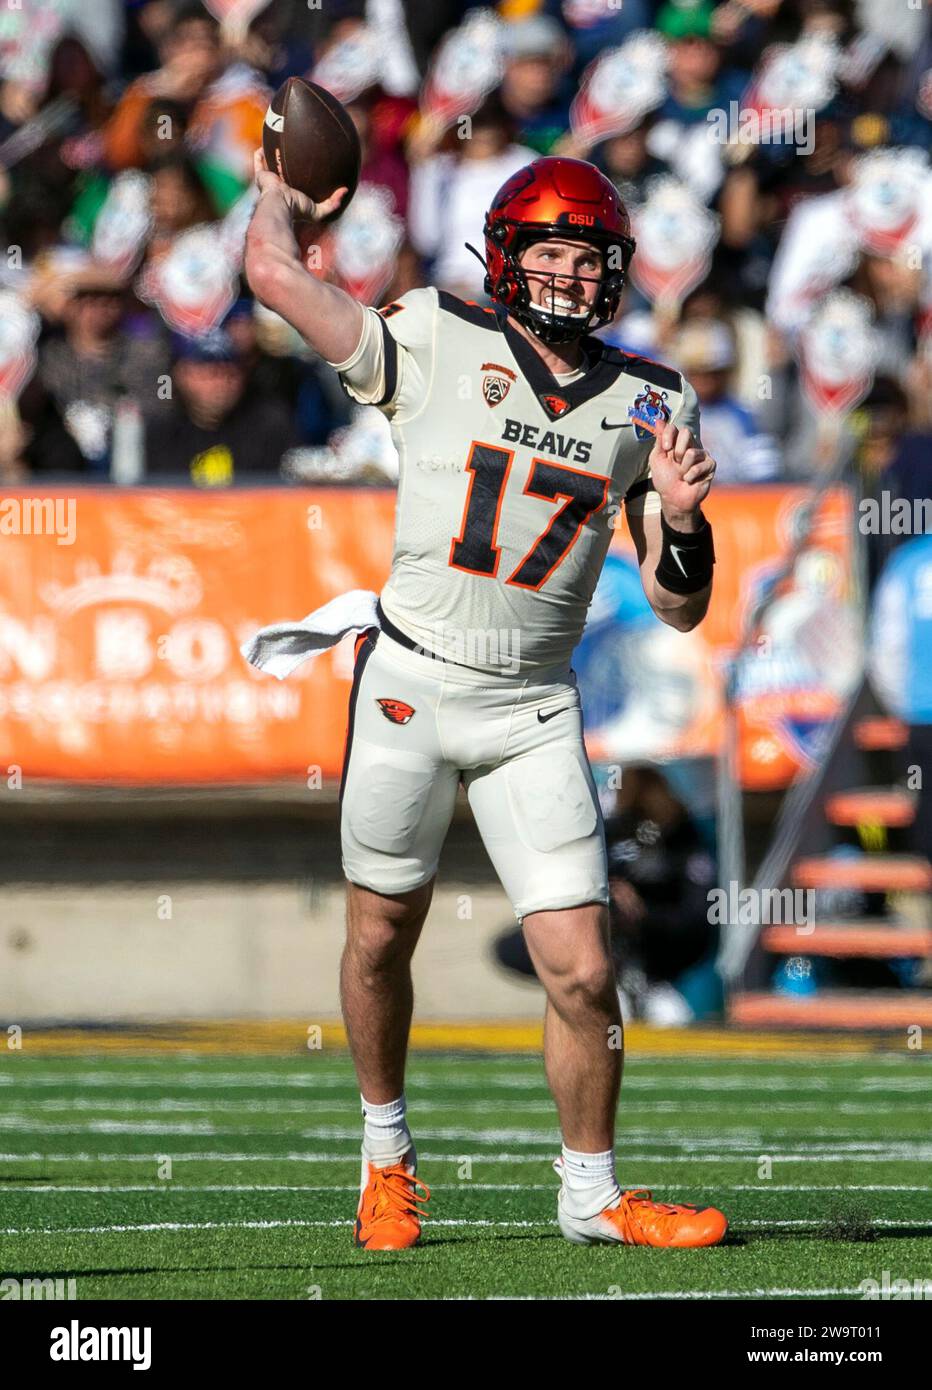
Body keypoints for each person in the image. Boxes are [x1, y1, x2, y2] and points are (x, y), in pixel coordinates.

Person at [244, 149, 726, 1251]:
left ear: (615, 271)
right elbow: (275, 277)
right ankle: (384, 1159)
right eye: (547, 251)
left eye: (584, 255)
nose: (564, 275)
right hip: (410, 680)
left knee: (585, 965)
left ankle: (590, 1193)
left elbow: (677, 607)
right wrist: (284, 192)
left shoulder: (650, 399)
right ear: (505, 256)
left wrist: (686, 524)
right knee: (379, 937)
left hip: (532, 710)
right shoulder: (433, 332)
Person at [145, 328, 298, 484]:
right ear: (180, 374)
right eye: (209, 373)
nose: (220, 383)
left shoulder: (270, 425)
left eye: (230, 372)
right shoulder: (159, 431)